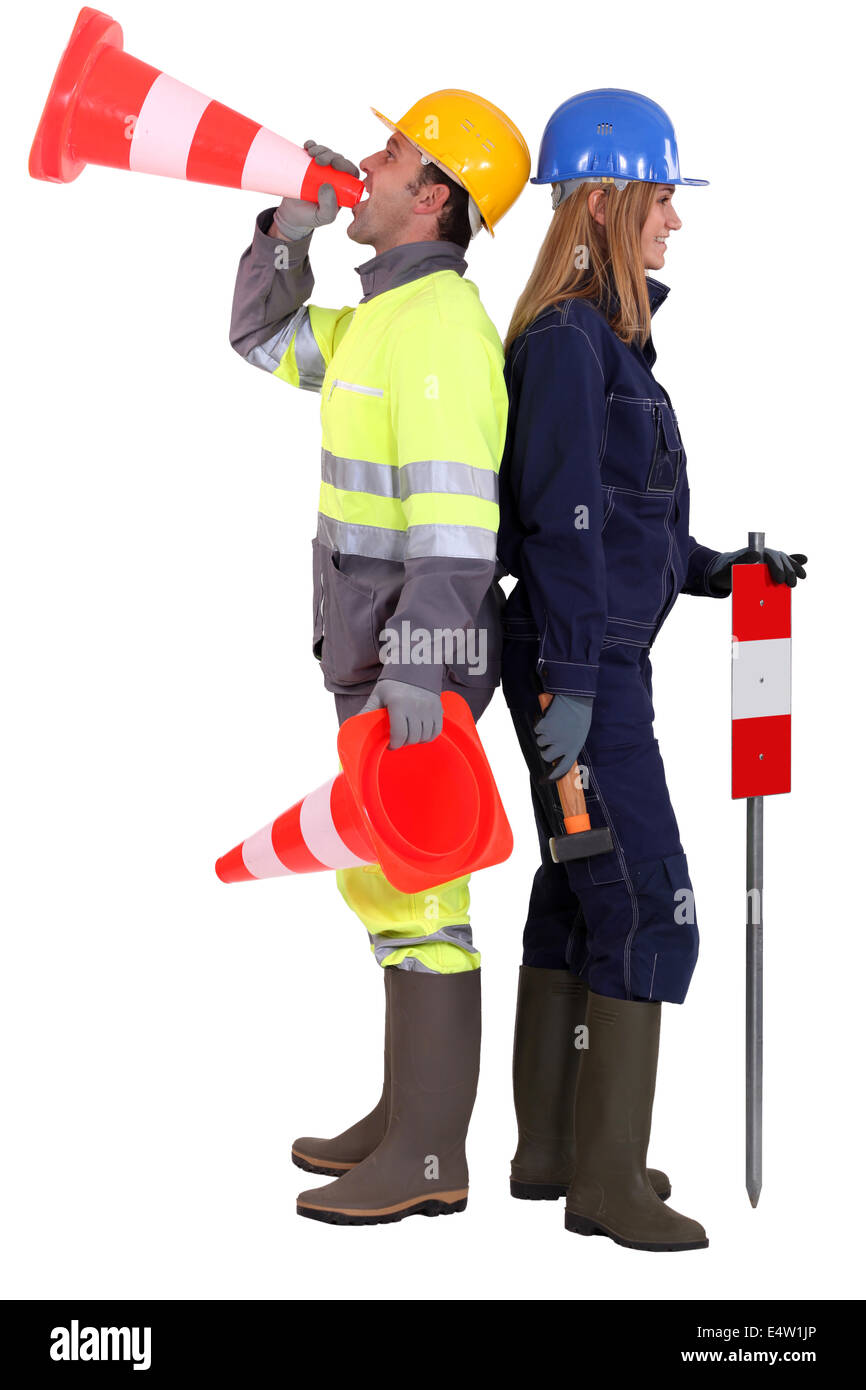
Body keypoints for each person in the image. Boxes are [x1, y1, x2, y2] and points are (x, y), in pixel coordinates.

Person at [497, 89, 806, 1251]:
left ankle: (558, 1148)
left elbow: (626, 529)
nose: (673, 220)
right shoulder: (573, 345)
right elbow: (563, 523)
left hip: (585, 656)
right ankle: (606, 1184)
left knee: (581, 888)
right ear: (605, 200)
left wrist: (723, 570)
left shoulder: (602, 346)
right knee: (647, 903)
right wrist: (574, 684)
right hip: (581, 668)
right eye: (663, 196)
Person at [230, 92, 529, 1224]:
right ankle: (406, 1116)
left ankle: (427, 1156)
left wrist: (421, 668)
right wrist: (283, 239)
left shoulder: (442, 327)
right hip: (371, 646)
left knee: (425, 890)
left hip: (413, 656)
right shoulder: (381, 317)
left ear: (433, 195)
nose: (369, 160)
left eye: (393, 152)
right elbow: (264, 341)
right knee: (384, 875)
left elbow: (457, 526)